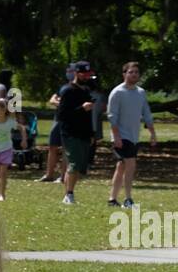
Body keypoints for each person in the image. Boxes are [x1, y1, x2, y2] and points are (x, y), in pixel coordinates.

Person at [106, 61, 158, 207]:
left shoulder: (140, 92)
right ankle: (128, 199)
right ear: (124, 74)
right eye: (131, 72)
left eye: (136, 72)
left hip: (134, 136)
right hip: (121, 136)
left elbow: (147, 114)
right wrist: (116, 136)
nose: (134, 74)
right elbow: (112, 116)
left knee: (121, 166)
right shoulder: (117, 92)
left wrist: (152, 133)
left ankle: (112, 199)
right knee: (130, 165)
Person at [56, 61, 97, 204]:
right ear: (76, 73)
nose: (86, 77)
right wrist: (81, 108)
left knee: (78, 166)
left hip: (84, 133)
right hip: (70, 133)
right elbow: (62, 115)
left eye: (88, 74)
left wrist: (92, 133)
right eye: (83, 74)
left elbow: (88, 116)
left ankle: (67, 193)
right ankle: (69, 194)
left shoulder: (85, 91)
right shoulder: (67, 91)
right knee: (73, 164)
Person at [39, 64, 74, 182]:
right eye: (68, 70)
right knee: (52, 146)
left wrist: (62, 103)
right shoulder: (63, 87)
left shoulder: (77, 88)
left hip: (69, 121)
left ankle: (63, 176)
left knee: (65, 148)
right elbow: (52, 99)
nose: (69, 73)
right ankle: (49, 175)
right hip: (57, 119)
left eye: (72, 71)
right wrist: (61, 102)